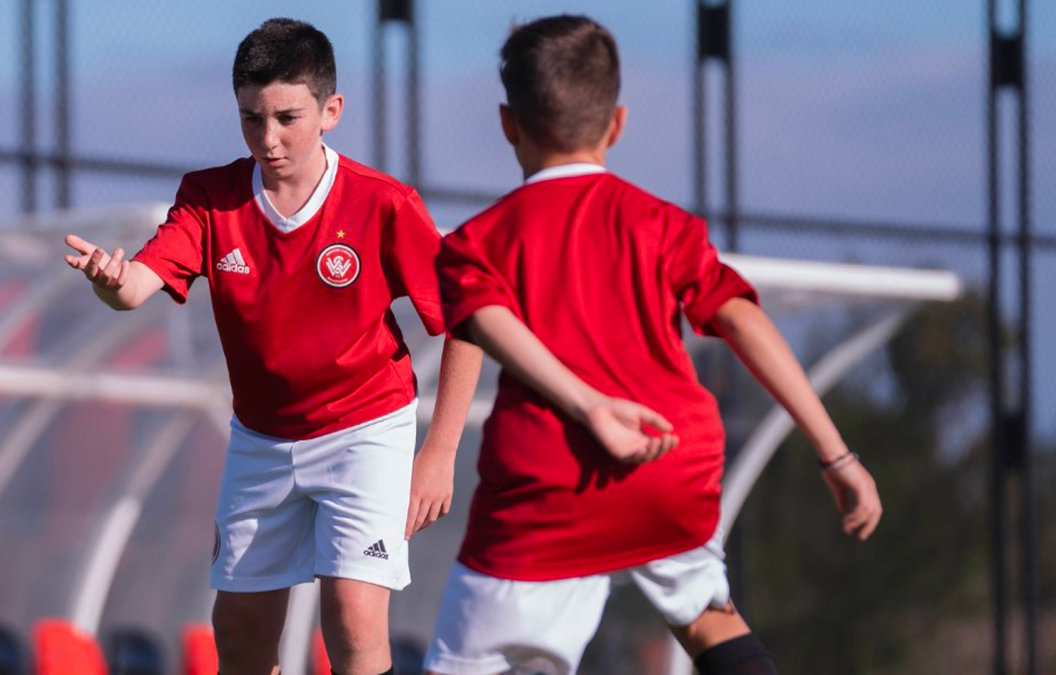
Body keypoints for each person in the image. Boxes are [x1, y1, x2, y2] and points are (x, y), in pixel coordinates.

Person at [423, 15, 881, 675]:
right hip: (670, 461)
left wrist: (446, 450)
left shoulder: (477, 241)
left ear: (507, 123)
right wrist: (836, 456)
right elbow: (746, 322)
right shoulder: (665, 225)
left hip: (550, 482)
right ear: (617, 124)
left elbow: (479, 318)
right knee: (708, 618)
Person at [62, 18, 481, 675]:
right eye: (251, 119)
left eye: (288, 117)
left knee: (353, 615)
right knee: (240, 629)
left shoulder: (384, 203)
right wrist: (112, 283)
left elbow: (467, 321)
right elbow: (137, 284)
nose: (269, 137)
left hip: (365, 430)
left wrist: (441, 453)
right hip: (261, 439)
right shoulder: (210, 198)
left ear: (331, 111)